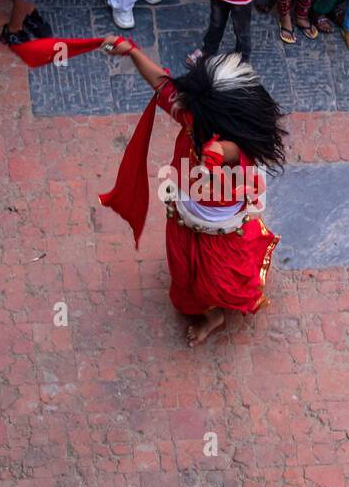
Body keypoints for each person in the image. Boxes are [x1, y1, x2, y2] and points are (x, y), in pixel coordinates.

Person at [100, 38, 285, 347]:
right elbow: (163, 85)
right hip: (183, 217)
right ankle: (206, 310)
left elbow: (229, 151)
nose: (185, 107)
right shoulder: (194, 117)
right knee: (184, 274)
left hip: (220, 231)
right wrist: (132, 51)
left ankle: (215, 315)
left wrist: (217, 153)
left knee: (218, 281)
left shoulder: (237, 145)